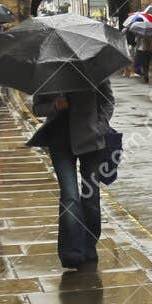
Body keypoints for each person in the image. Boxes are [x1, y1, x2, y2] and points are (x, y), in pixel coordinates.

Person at [28, 78, 116, 270]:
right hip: (59, 143)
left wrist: (99, 127)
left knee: (90, 198)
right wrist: (54, 106)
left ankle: (88, 245)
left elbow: (108, 101)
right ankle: (71, 253)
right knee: (70, 197)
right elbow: (37, 107)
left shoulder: (92, 67)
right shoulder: (49, 71)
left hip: (91, 141)